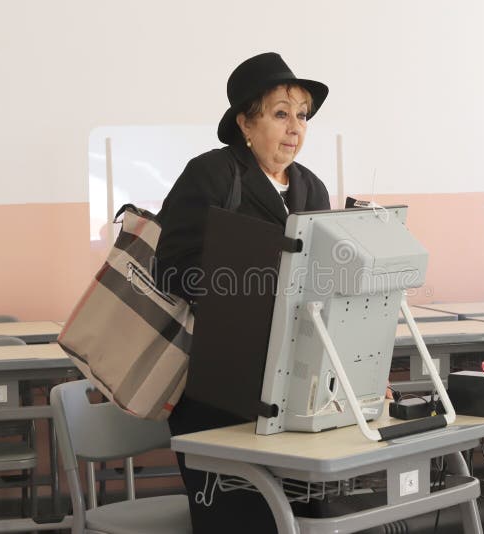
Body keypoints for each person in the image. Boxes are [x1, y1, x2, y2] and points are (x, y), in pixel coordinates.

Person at [155, 52, 331, 532]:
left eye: (302, 115)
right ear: (245, 124)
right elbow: (170, 269)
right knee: (241, 521)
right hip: (220, 389)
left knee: (302, 517)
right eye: (280, 113)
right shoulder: (212, 174)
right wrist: (244, 292)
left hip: (290, 387)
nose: (295, 127)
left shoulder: (312, 189)